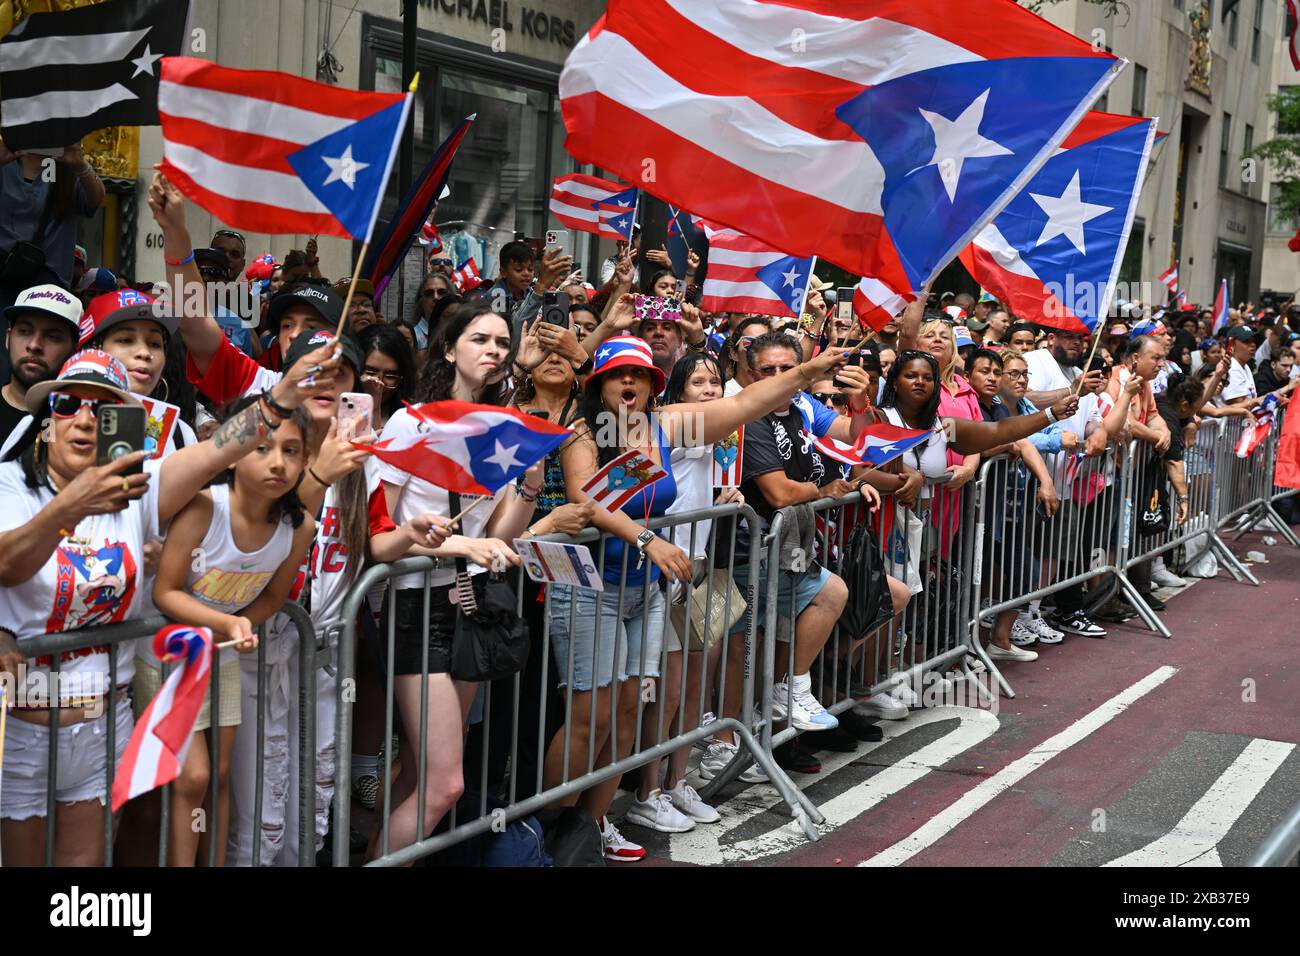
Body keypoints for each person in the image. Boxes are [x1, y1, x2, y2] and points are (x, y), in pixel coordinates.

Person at [0, 340, 340, 866]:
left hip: (101, 726)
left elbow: (217, 451)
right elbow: (7, 564)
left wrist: (276, 399)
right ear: (46, 421)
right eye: (68, 405)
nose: (85, 419)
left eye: (105, 409)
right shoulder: (10, 486)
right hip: (21, 731)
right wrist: (69, 506)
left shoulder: (137, 491)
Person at [548, 310, 850, 861]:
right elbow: (586, 501)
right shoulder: (585, 432)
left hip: (656, 587)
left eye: (641, 376)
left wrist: (807, 373)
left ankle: (593, 824)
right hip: (595, 588)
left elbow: (741, 406)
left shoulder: (663, 424)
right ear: (598, 383)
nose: (631, 385)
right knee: (590, 719)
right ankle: (542, 825)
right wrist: (650, 542)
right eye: (619, 375)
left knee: (629, 710)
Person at [372, 303, 541, 858]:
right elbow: (380, 532)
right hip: (415, 610)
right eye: (479, 338)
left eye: (501, 341)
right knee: (446, 784)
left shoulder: (496, 427)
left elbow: (497, 535)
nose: (493, 349)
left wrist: (530, 488)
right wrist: (460, 543)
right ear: (449, 348)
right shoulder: (410, 422)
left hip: (468, 606)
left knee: (422, 774)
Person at [150, 398, 317, 866]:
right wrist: (229, 623)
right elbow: (165, 591)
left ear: (307, 460)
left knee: (220, 774)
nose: (278, 462)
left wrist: (240, 626)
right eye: (262, 447)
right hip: (168, 655)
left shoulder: (296, 527)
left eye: (292, 450)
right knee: (194, 777)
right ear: (234, 449)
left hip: (219, 654)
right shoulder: (206, 506)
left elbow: (271, 599)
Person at [0, 142, 104, 305]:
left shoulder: (67, 169)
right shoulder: (6, 164)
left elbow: (95, 200)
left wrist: (81, 165)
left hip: (48, 283)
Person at [0, 285, 79, 439]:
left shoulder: (81, 423)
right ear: (8, 338)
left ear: (73, 351)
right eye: (24, 331)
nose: (34, 345)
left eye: (52, 336)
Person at [356, 323, 416, 432]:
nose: (379, 382)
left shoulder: (410, 419)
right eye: (370, 372)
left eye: (390, 376)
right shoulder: (337, 408)